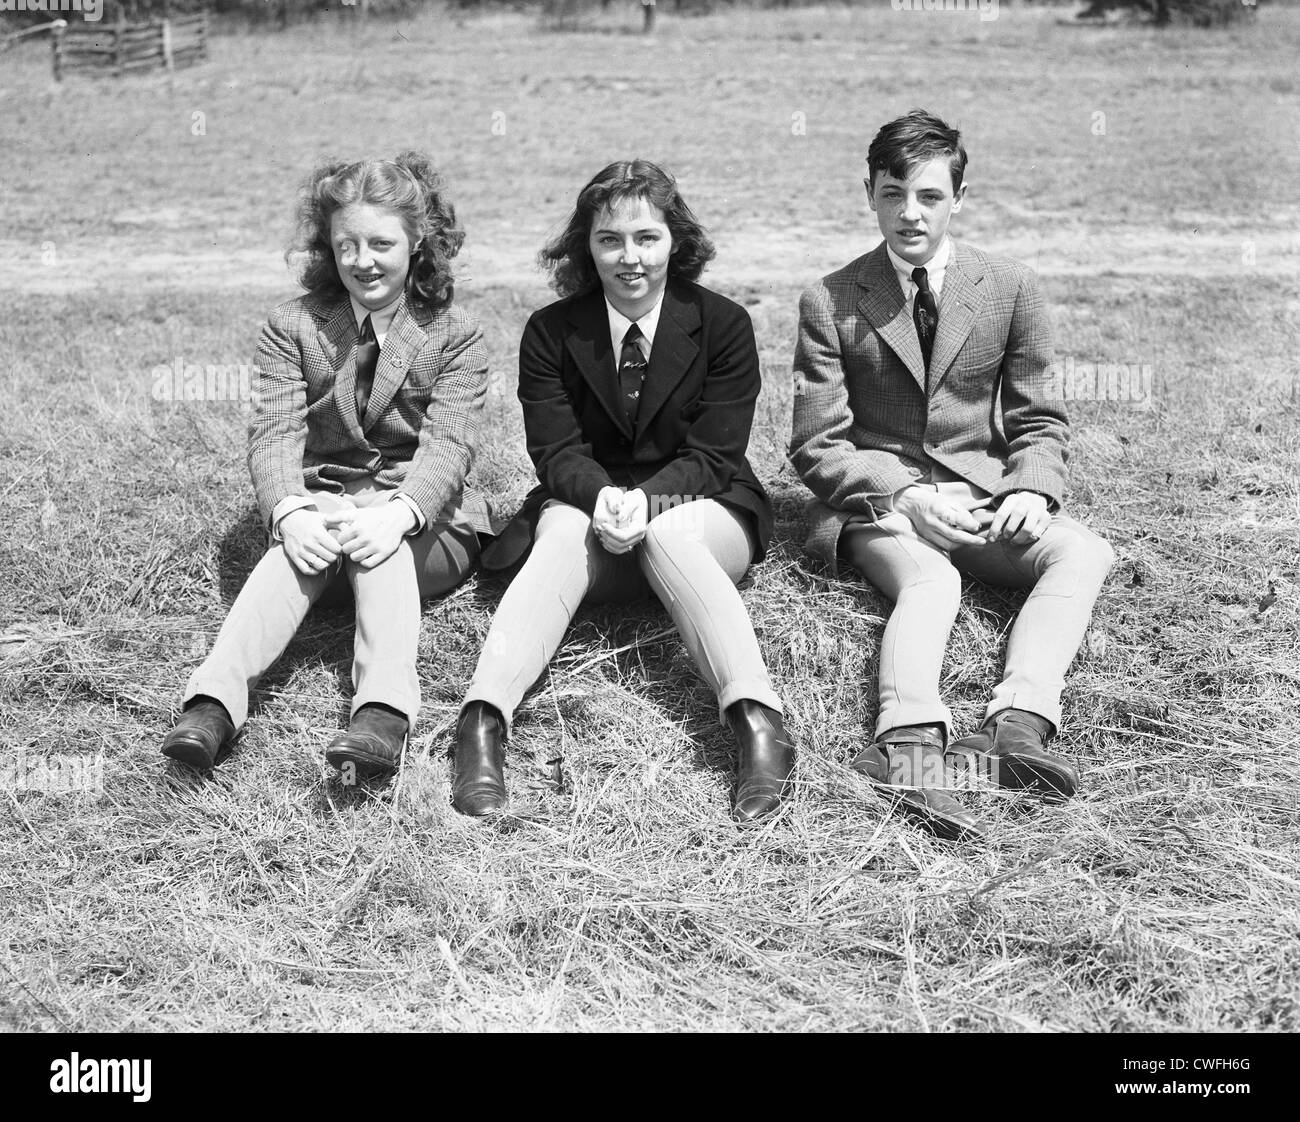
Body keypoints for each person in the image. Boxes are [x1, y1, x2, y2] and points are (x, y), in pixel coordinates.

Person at [789, 110, 1115, 841]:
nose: (910, 212)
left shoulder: (1011, 288)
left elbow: (1039, 419)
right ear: (868, 192)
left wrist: (1030, 486)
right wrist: (905, 494)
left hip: (981, 497)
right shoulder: (830, 299)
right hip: (880, 506)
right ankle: (905, 747)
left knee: (1084, 549)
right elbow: (816, 444)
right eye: (893, 192)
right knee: (932, 580)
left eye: (930, 196)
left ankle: (1018, 729)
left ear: (957, 198)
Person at [457, 160, 794, 824]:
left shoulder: (722, 324)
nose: (629, 257)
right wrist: (606, 499)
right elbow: (555, 452)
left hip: (702, 508)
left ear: (677, 241)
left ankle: (759, 726)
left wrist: (647, 503)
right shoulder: (552, 332)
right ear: (587, 245)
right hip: (592, 514)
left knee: (670, 531)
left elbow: (714, 451)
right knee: (557, 530)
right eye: (610, 239)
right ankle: (481, 722)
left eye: (648, 238)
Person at [161, 152, 492, 779]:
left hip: (427, 530)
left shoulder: (457, 334)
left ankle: (383, 714)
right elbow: (274, 434)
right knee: (308, 534)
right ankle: (210, 707)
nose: (363, 260)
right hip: (324, 520)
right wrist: (288, 513)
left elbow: (450, 447)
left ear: (418, 241)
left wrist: (397, 513)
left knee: (379, 538)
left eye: (381, 243)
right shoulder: (293, 325)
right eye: (347, 244)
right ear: (328, 245)